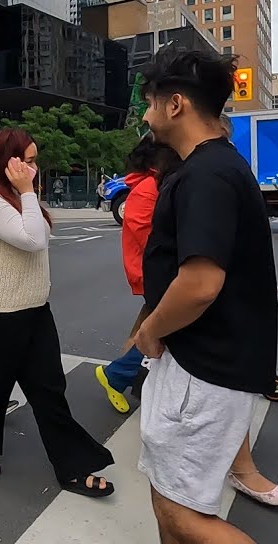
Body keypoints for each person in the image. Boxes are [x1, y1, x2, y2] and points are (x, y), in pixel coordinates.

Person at [133, 51, 278, 543]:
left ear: (175, 105)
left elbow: (199, 285)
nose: (145, 116)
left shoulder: (207, 174)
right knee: (170, 501)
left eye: (150, 103)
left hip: (204, 367)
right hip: (202, 360)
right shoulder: (213, 167)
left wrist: (150, 332)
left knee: (183, 515)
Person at [0, 128, 114, 496]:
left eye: (35, 161)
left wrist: (26, 193)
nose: (35, 169)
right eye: (30, 161)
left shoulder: (16, 197)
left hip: (32, 308)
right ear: (10, 162)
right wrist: (25, 191)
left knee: (49, 388)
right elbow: (33, 240)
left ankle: (72, 466)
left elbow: (36, 237)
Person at [96, 134, 179, 412]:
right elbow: (148, 236)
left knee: (148, 327)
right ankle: (118, 376)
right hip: (153, 272)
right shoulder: (147, 188)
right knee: (160, 328)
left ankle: (120, 376)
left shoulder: (151, 183)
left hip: (156, 270)